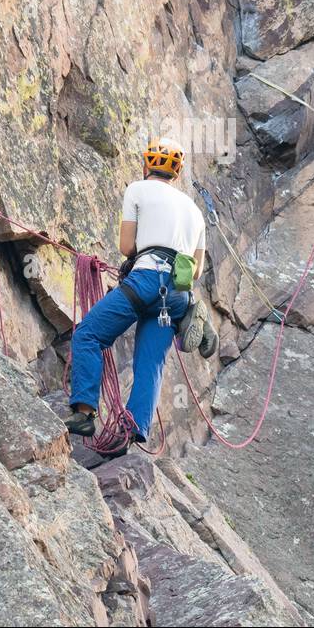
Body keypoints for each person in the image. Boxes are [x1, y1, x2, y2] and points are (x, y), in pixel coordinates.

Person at [65, 137, 206, 451]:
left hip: (144, 280)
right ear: (177, 173)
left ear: (146, 165)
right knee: (151, 363)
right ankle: (133, 430)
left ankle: (85, 413)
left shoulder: (137, 190)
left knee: (89, 335)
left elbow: (127, 247)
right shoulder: (195, 212)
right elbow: (196, 271)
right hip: (177, 296)